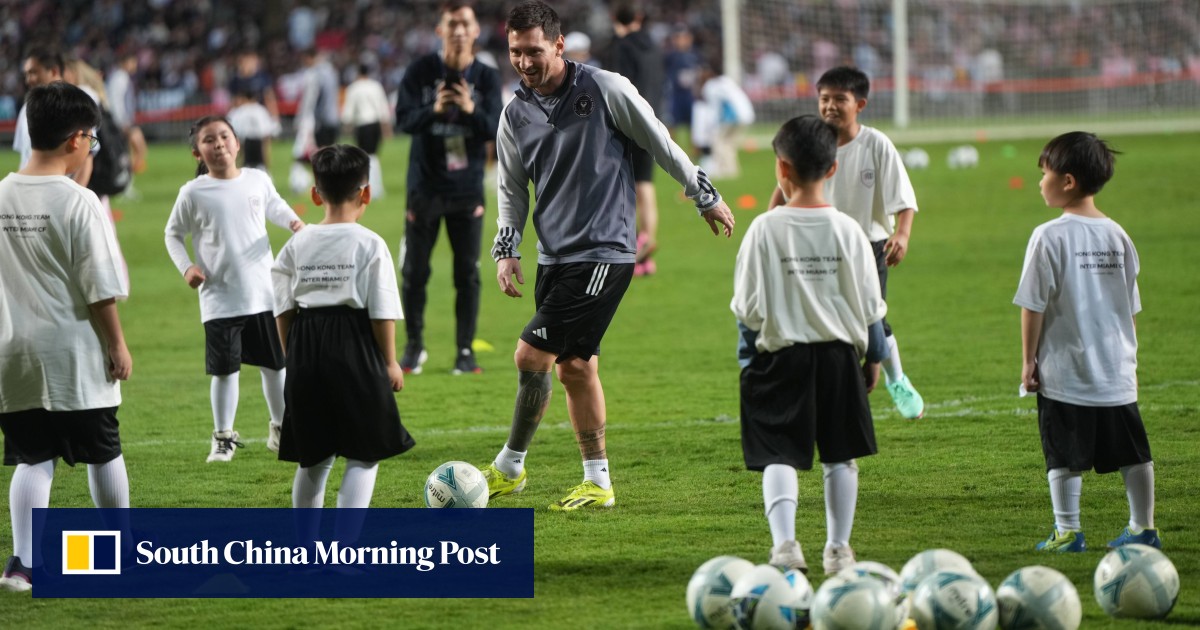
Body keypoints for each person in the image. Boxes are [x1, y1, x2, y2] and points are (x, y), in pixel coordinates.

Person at [483, 1, 735, 511]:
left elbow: (660, 141)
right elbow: (511, 189)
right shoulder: (514, 114)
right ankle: (597, 481)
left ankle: (510, 466)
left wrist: (704, 194)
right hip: (554, 257)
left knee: (531, 355)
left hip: (605, 251)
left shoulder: (605, 88)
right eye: (515, 52)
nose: (525, 62)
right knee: (576, 368)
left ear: (558, 44)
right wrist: (506, 249)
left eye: (534, 51)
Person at [732, 115, 887, 576]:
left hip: (778, 356)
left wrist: (748, 357)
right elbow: (870, 305)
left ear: (781, 169)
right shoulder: (848, 231)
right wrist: (873, 356)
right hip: (840, 356)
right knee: (841, 455)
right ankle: (838, 550)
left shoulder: (764, 228)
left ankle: (785, 548)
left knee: (778, 452)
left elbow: (748, 308)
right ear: (833, 168)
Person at [0, 82, 133, 593]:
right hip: (74, 353)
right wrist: (117, 344)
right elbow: (99, 288)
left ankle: (21, 566)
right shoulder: (79, 202)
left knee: (33, 457)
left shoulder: (3, 194)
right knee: (102, 450)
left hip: (14, 355)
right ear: (77, 140)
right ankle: (113, 555)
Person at [1015, 131, 1159, 552]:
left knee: (1062, 450)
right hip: (1116, 366)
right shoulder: (1118, 235)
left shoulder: (1049, 236)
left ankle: (1068, 531)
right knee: (1133, 449)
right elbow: (1129, 305)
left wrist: (1028, 361)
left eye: (1044, 173)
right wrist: (1128, 357)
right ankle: (1144, 527)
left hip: (1066, 368)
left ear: (1068, 181)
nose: (1040, 181)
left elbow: (1033, 305)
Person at [769, 66, 924, 420]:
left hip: (869, 246)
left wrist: (902, 234)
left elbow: (904, 198)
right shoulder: (812, 140)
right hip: (818, 242)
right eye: (824, 99)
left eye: (840, 99)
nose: (830, 107)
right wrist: (772, 224)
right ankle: (835, 387)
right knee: (823, 318)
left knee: (874, 316)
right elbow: (783, 187)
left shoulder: (876, 144)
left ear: (860, 104)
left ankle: (896, 379)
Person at [272, 144, 415, 513]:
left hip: (305, 342)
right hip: (354, 344)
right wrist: (389, 362)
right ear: (365, 192)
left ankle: (304, 554)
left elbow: (283, 310)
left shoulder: (294, 245)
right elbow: (381, 310)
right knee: (364, 455)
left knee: (313, 459)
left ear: (315, 194)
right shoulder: (370, 244)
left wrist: (294, 355)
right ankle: (344, 554)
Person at [164, 116, 304, 463]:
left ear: (237, 142)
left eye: (224, 136)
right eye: (209, 140)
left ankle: (281, 429)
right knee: (225, 371)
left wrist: (294, 223)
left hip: (263, 293)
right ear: (198, 152)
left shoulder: (257, 179)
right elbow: (172, 234)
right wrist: (188, 268)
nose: (219, 144)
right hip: (220, 298)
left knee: (276, 365)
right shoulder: (193, 192)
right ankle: (223, 436)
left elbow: (274, 204)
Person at [395, 1, 502, 376]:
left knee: (467, 274)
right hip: (424, 189)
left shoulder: (486, 77)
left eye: (465, 24)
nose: (458, 30)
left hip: (467, 191)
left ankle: (464, 351)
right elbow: (402, 122)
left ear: (475, 32)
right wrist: (434, 110)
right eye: (451, 24)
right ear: (440, 30)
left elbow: (496, 130)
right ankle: (413, 348)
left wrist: (471, 110)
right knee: (415, 272)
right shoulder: (420, 72)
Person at [605, 1, 664, 276]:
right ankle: (647, 246)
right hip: (653, 119)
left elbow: (616, 87)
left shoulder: (621, 48)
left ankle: (633, 249)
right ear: (639, 17)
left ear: (614, 17)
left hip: (628, 122)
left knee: (625, 189)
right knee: (646, 185)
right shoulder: (653, 47)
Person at [289, 48, 339, 194]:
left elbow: (310, 100)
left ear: (310, 58)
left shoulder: (315, 74)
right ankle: (334, 184)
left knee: (322, 153)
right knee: (332, 153)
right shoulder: (331, 72)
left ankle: (325, 186)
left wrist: (302, 120)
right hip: (334, 118)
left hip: (322, 120)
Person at [694, 62, 755, 180]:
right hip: (746, 115)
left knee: (719, 143)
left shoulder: (710, 86)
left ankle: (726, 171)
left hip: (732, 118)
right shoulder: (727, 81)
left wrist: (711, 127)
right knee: (728, 143)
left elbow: (715, 109)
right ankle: (732, 169)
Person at [341, 64, 393, 199]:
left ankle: (370, 188)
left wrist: (346, 128)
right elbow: (383, 107)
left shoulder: (353, 88)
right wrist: (387, 128)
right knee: (373, 155)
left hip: (362, 125)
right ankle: (377, 188)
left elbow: (348, 111)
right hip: (375, 124)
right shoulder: (375, 86)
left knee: (364, 157)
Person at [227, 89, 279, 171]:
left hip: (246, 142)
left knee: (246, 169)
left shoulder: (239, 111)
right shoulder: (261, 110)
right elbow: (266, 133)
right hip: (258, 142)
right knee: (261, 169)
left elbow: (234, 131)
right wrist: (267, 156)